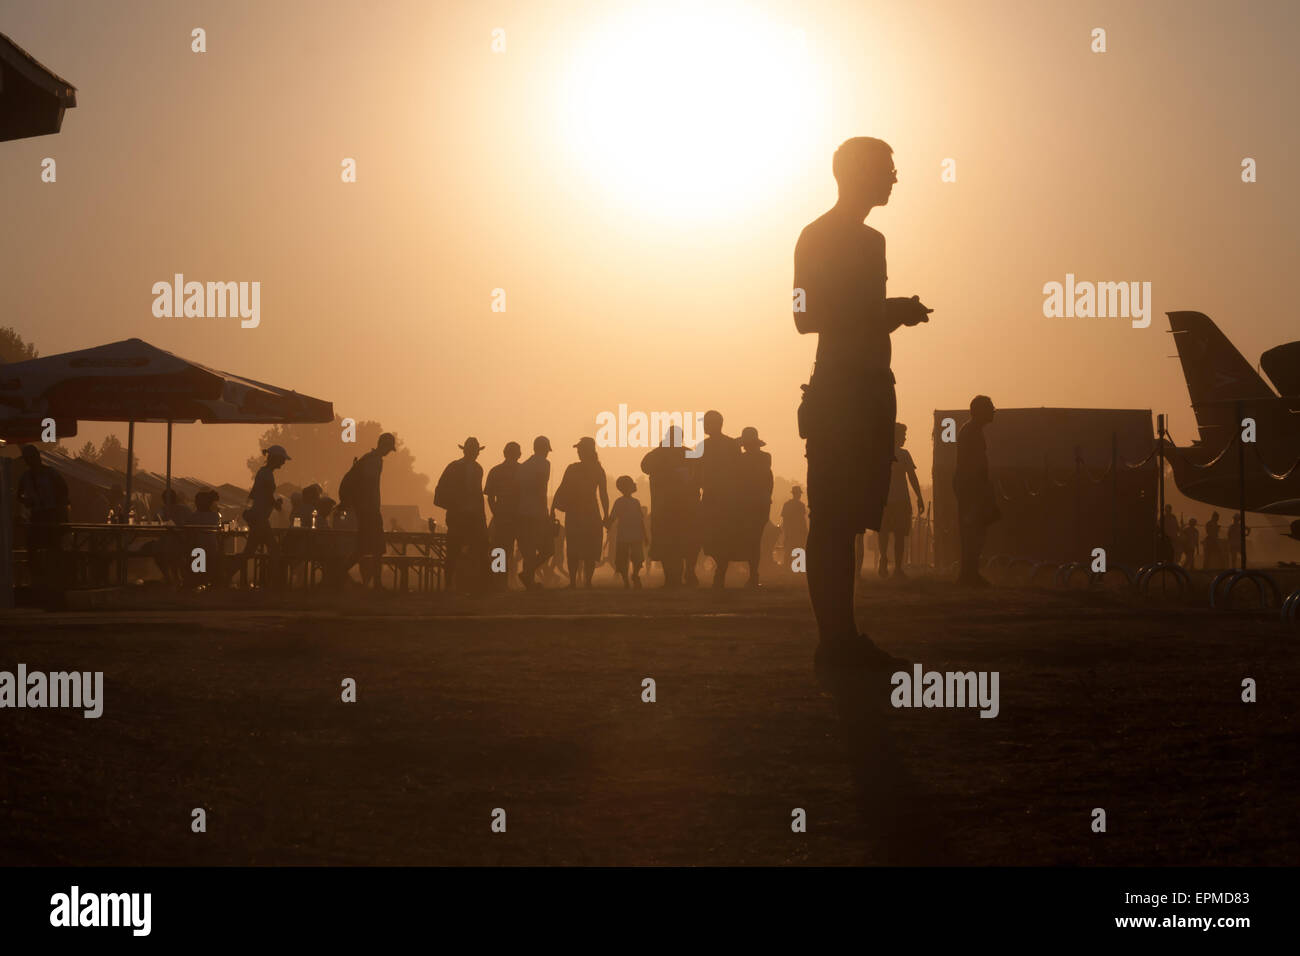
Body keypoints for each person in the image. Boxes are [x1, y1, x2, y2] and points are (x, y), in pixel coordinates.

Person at [793, 136, 931, 669]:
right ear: (855, 173)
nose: (895, 178)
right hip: (841, 389)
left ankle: (842, 636)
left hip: (871, 387)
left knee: (848, 518)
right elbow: (805, 317)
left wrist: (887, 311)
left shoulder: (872, 241)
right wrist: (885, 311)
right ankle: (834, 641)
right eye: (887, 169)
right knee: (831, 517)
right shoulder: (820, 236)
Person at [640, 425, 700, 588]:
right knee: (685, 543)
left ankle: (673, 578)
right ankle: (687, 573)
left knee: (668, 544)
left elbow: (644, 465)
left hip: (666, 509)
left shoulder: (659, 454)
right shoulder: (688, 453)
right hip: (683, 509)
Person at [341, 432, 396, 590]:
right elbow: (369, 486)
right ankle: (340, 574)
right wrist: (371, 507)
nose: (388, 452)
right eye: (388, 448)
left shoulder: (369, 458)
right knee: (376, 548)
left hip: (366, 509)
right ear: (383, 445)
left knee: (365, 548)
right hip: (369, 509)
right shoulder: (374, 461)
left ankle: (338, 575)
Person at [552, 437, 609, 588]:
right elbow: (603, 494)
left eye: (580, 450)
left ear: (587, 451)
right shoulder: (597, 469)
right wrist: (606, 514)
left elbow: (561, 489)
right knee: (587, 548)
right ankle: (584, 582)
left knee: (575, 548)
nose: (578, 452)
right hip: (589, 512)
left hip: (576, 512)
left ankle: (575, 581)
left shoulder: (574, 469)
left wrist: (553, 508)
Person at [696, 410, 744, 589]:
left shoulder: (708, 446)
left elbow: (738, 472)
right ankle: (721, 567)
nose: (704, 426)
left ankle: (721, 569)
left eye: (707, 423)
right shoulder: (728, 445)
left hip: (719, 497)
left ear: (716, 424)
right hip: (719, 496)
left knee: (717, 535)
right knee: (712, 536)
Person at [434, 437, 490, 592]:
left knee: (475, 549)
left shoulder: (476, 468)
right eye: (474, 451)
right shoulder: (457, 467)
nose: (475, 454)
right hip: (460, 516)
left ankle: (470, 583)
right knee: (454, 549)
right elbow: (442, 490)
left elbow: (478, 495)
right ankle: (450, 583)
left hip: (470, 516)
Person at [954, 396, 998, 586]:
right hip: (972, 487)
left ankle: (970, 572)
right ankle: (969, 574)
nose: (993, 411)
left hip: (972, 487)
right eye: (989, 408)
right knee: (973, 530)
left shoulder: (971, 431)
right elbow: (972, 464)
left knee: (976, 530)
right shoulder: (971, 432)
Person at [17, 445, 70, 594]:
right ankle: (38, 580)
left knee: (54, 548)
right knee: (32, 549)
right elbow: (19, 495)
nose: (28, 462)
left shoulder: (50, 474)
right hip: (37, 515)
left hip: (52, 515)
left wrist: (60, 510)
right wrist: (26, 501)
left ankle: (56, 582)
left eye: (29, 459)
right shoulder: (25, 477)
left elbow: (64, 491)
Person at [878, 423, 924, 579]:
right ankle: (897, 567)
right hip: (900, 500)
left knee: (883, 533)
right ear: (897, 436)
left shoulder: (880, 453)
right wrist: (919, 496)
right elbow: (912, 476)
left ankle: (883, 559)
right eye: (903, 435)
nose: (905, 438)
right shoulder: (904, 454)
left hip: (883, 500)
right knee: (899, 535)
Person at [736, 426, 773, 588]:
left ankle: (752, 574)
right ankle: (753, 574)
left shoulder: (742, 460)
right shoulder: (765, 457)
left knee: (751, 540)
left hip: (747, 505)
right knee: (754, 540)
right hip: (760, 505)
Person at [515, 436, 552, 589]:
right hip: (537, 512)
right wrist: (546, 512)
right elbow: (541, 489)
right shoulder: (545, 464)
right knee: (548, 549)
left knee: (529, 549)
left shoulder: (523, 466)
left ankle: (529, 581)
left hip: (522, 511)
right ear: (544, 449)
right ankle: (527, 574)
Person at [485, 441, 523, 588]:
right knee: (513, 550)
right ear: (518, 454)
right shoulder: (523, 471)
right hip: (517, 516)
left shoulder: (496, 471)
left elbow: (490, 497)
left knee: (499, 550)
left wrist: (497, 513)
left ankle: (499, 581)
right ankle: (508, 581)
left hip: (502, 515)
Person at [243, 444, 288, 565]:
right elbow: (267, 495)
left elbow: (256, 494)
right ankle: (273, 580)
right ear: (276, 458)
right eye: (282, 459)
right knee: (274, 550)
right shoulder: (266, 474)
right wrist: (276, 504)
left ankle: (227, 574)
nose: (283, 462)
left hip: (258, 517)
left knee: (249, 551)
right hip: (260, 519)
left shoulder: (264, 472)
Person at [606, 475, 647, 588]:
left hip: (633, 535)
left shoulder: (635, 502)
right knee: (624, 560)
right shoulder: (621, 502)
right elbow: (613, 517)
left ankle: (634, 575)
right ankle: (627, 581)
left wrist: (644, 535)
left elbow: (640, 520)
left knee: (637, 559)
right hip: (626, 535)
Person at [779, 485, 808, 570]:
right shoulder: (801, 505)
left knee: (788, 551)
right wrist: (805, 532)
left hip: (790, 532)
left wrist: (785, 532)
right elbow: (802, 521)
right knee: (799, 551)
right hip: (799, 533)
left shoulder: (787, 505)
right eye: (799, 494)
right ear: (798, 494)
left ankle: (787, 570)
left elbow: (784, 521)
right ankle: (799, 570)